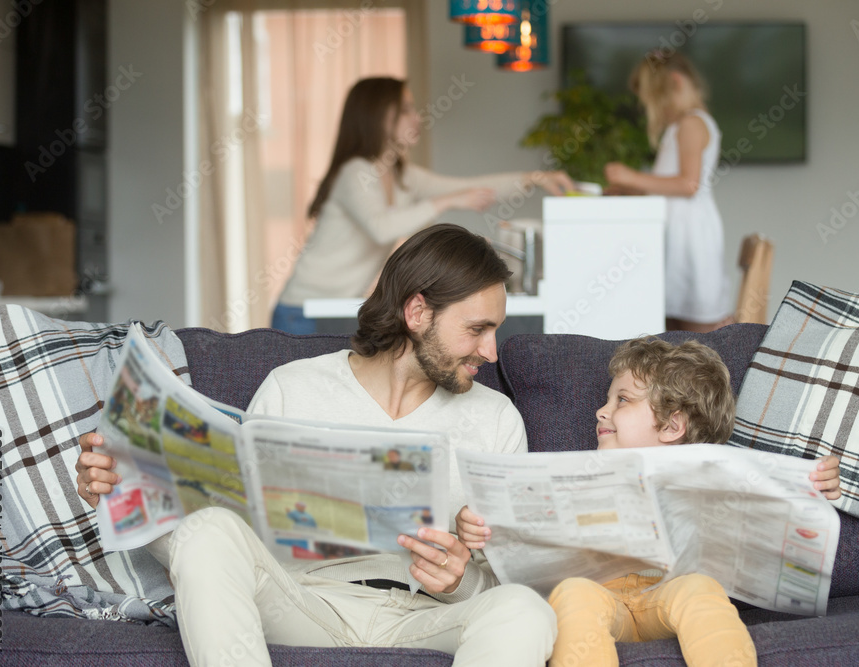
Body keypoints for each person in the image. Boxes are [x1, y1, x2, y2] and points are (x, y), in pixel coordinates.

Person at [75, 224, 558, 667]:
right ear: (416, 313)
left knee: (524, 609)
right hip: (304, 603)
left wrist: (459, 579)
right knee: (209, 528)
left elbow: (502, 584)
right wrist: (122, 486)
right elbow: (217, 538)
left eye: (496, 331)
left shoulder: (496, 419)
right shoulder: (293, 387)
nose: (491, 352)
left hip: (423, 616)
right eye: (477, 329)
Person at [456, 337, 843, 667]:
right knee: (573, 593)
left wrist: (810, 489)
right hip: (604, 599)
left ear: (673, 426)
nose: (601, 410)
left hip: (665, 596)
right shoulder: (576, 470)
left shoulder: (715, 477)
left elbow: (769, 521)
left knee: (700, 589)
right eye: (607, 399)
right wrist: (483, 526)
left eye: (622, 400)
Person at [272, 76, 575, 334]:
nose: (417, 118)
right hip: (301, 312)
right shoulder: (357, 172)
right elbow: (381, 228)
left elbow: (470, 188)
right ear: (376, 115)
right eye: (405, 110)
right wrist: (444, 202)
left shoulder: (402, 176)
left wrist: (535, 178)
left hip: (332, 309)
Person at [603, 51, 731, 333]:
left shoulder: (691, 123)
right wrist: (632, 189)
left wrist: (632, 176)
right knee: (674, 332)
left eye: (655, 99)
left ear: (675, 83)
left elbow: (688, 184)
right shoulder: (679, 127)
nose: (656, 109)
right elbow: (668, 185)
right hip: (679, 236)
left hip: (691, 238)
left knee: (698, 334)